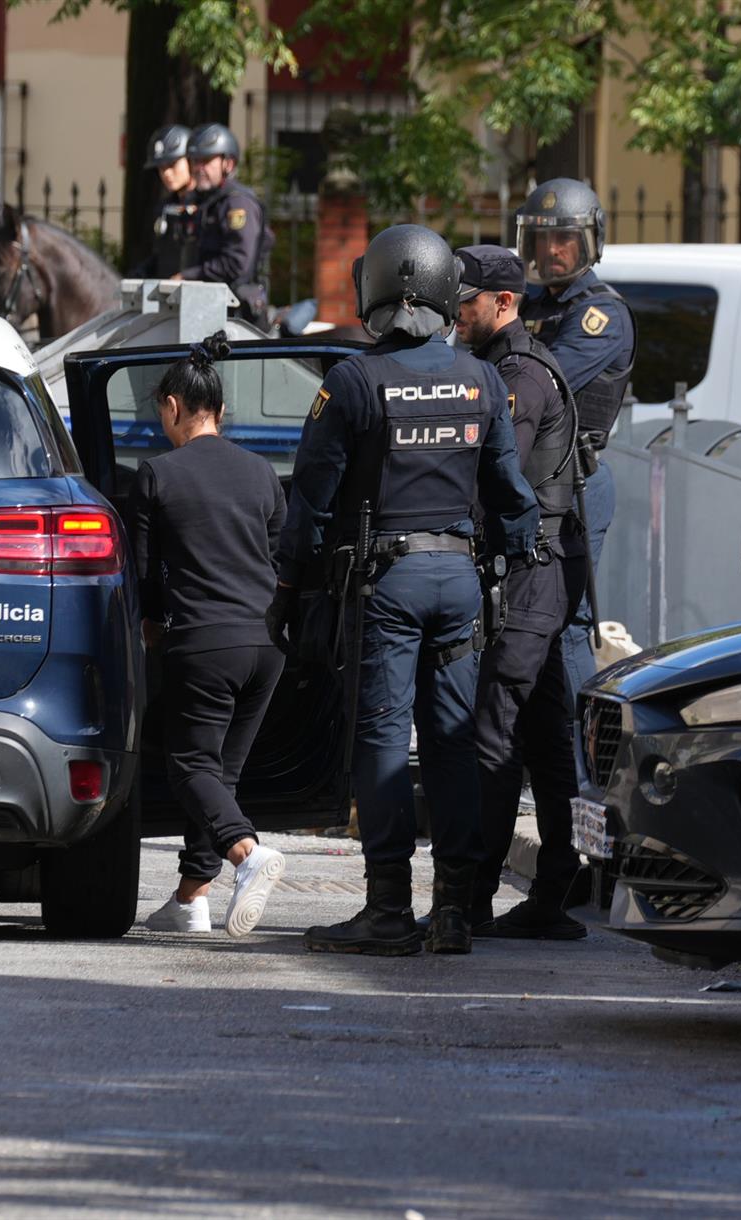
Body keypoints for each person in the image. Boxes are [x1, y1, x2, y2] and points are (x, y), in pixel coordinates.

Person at [269, 224, 539, 957]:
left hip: (386, 585)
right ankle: (453, 910)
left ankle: (388, 908)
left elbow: (312, 504)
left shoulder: (352, 382)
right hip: (460, 582)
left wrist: (290, 583)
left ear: (376, 290)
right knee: (451, 747)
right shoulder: (482, 378)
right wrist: (514, 567)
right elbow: (512, 496)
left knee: (384, 742)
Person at [452, 245, 593, 940]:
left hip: (533, 571)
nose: (456, 315)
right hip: (540, 570)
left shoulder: (519, 375)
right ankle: (557, 892)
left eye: (466, 303)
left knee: (496, 729)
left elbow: (496, 472)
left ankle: (473, 897)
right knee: (541, 733)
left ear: (503, 304)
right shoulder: (504, 365)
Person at [131, 332, 291, 937]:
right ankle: (190, 899)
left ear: (172, 408)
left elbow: (147, 571)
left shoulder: (156, 475)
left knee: (189, 766)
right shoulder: (262, 474)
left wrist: (150, 627)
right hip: (265, 645)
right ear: (220, 414)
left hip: (203, 641)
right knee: (219, 775)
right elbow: (279, 558)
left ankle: (248, 857)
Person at [514, 178, 633, 741]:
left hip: (578, 484)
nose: (552, 250)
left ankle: (579, 752)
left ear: (588, 242)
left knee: (567, 622)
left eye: (564, 238)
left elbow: (538, 381)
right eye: (542, 240)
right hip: (533, 480)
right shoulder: (532, 303)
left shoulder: (600, 316)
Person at [176, 123, 275, 328]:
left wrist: (188, 276)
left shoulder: (237, 203)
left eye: (206, 161)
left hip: (237, 316)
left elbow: (238, 263)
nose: (198, 168)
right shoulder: (207, 201)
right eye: (195, 161)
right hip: (208, 308)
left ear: (227, 164)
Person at [130, 124, 198, 280]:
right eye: (161, 168)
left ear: (191, 161)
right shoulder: (165, 207)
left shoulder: (209, 206)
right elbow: (162, 256)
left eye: (172, 164)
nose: (167, 173)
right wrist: (141, 272)